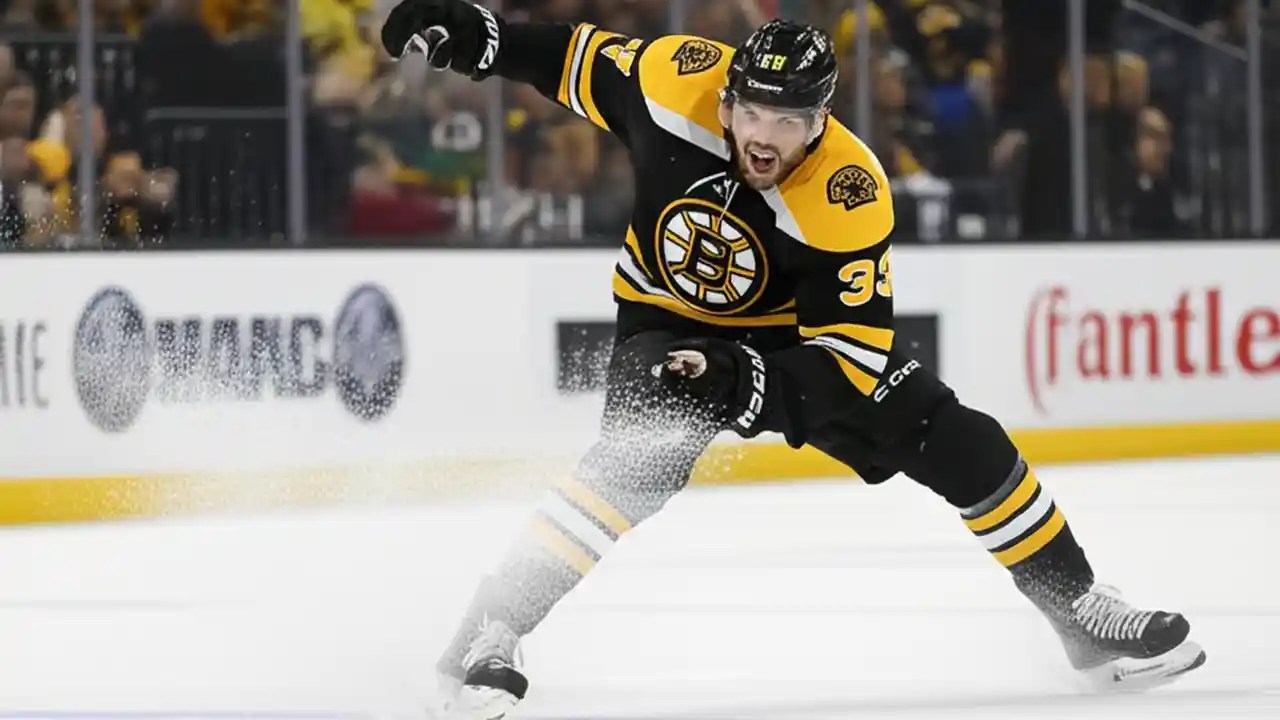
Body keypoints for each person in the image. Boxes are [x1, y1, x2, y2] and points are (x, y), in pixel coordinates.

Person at [380, 4, 1206, 718]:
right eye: (753, 114)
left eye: (789, 122)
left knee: (962, 438)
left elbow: (849, 358)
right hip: (665, 320)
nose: (765, 138)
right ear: (729, 98)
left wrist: (747, 381)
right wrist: (480, 38)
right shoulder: (675, 82)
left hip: (796, 343)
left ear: (822, 120)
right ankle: (488, 634)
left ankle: (1081, 615)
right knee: (636, 461)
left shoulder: (852, 192)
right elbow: (573, 57)